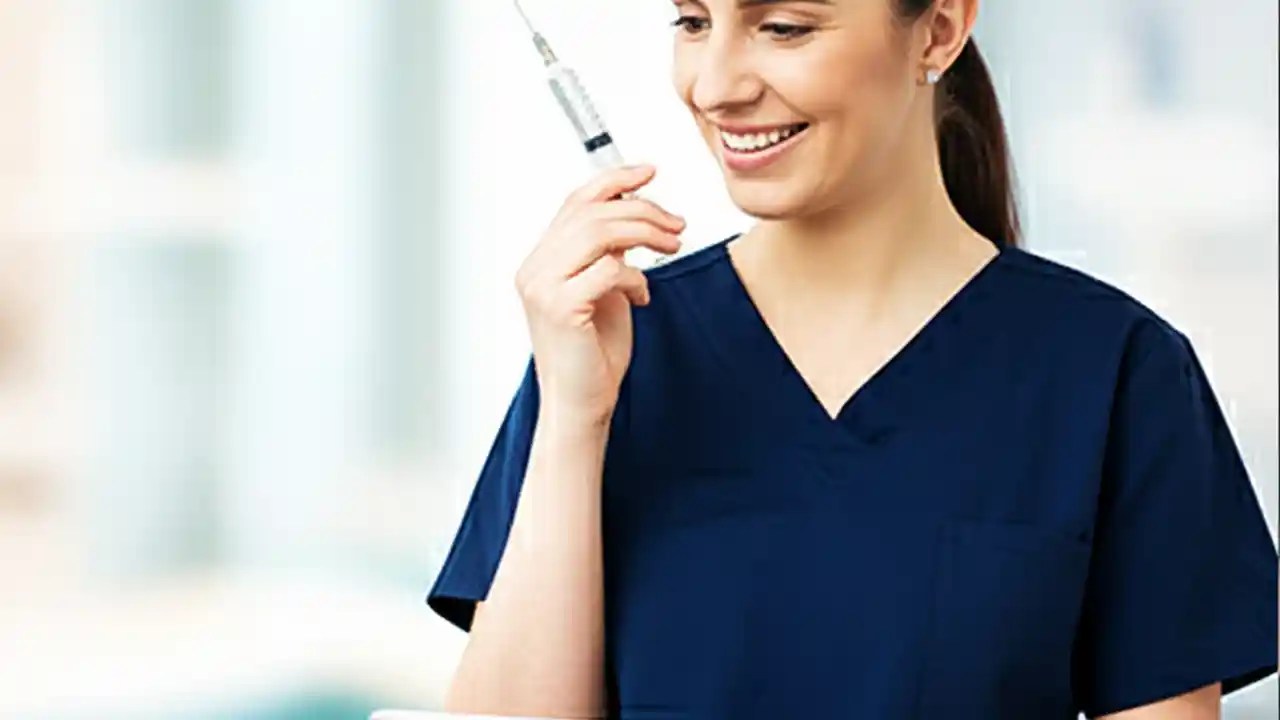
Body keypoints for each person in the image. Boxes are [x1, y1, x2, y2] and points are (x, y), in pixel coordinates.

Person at [427, 0, 1278, 717]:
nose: (717, 85)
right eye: (692, 21)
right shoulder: (607, 354)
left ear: (939, 30)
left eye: (784, 27)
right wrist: (575, 423)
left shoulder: (1116, 373)